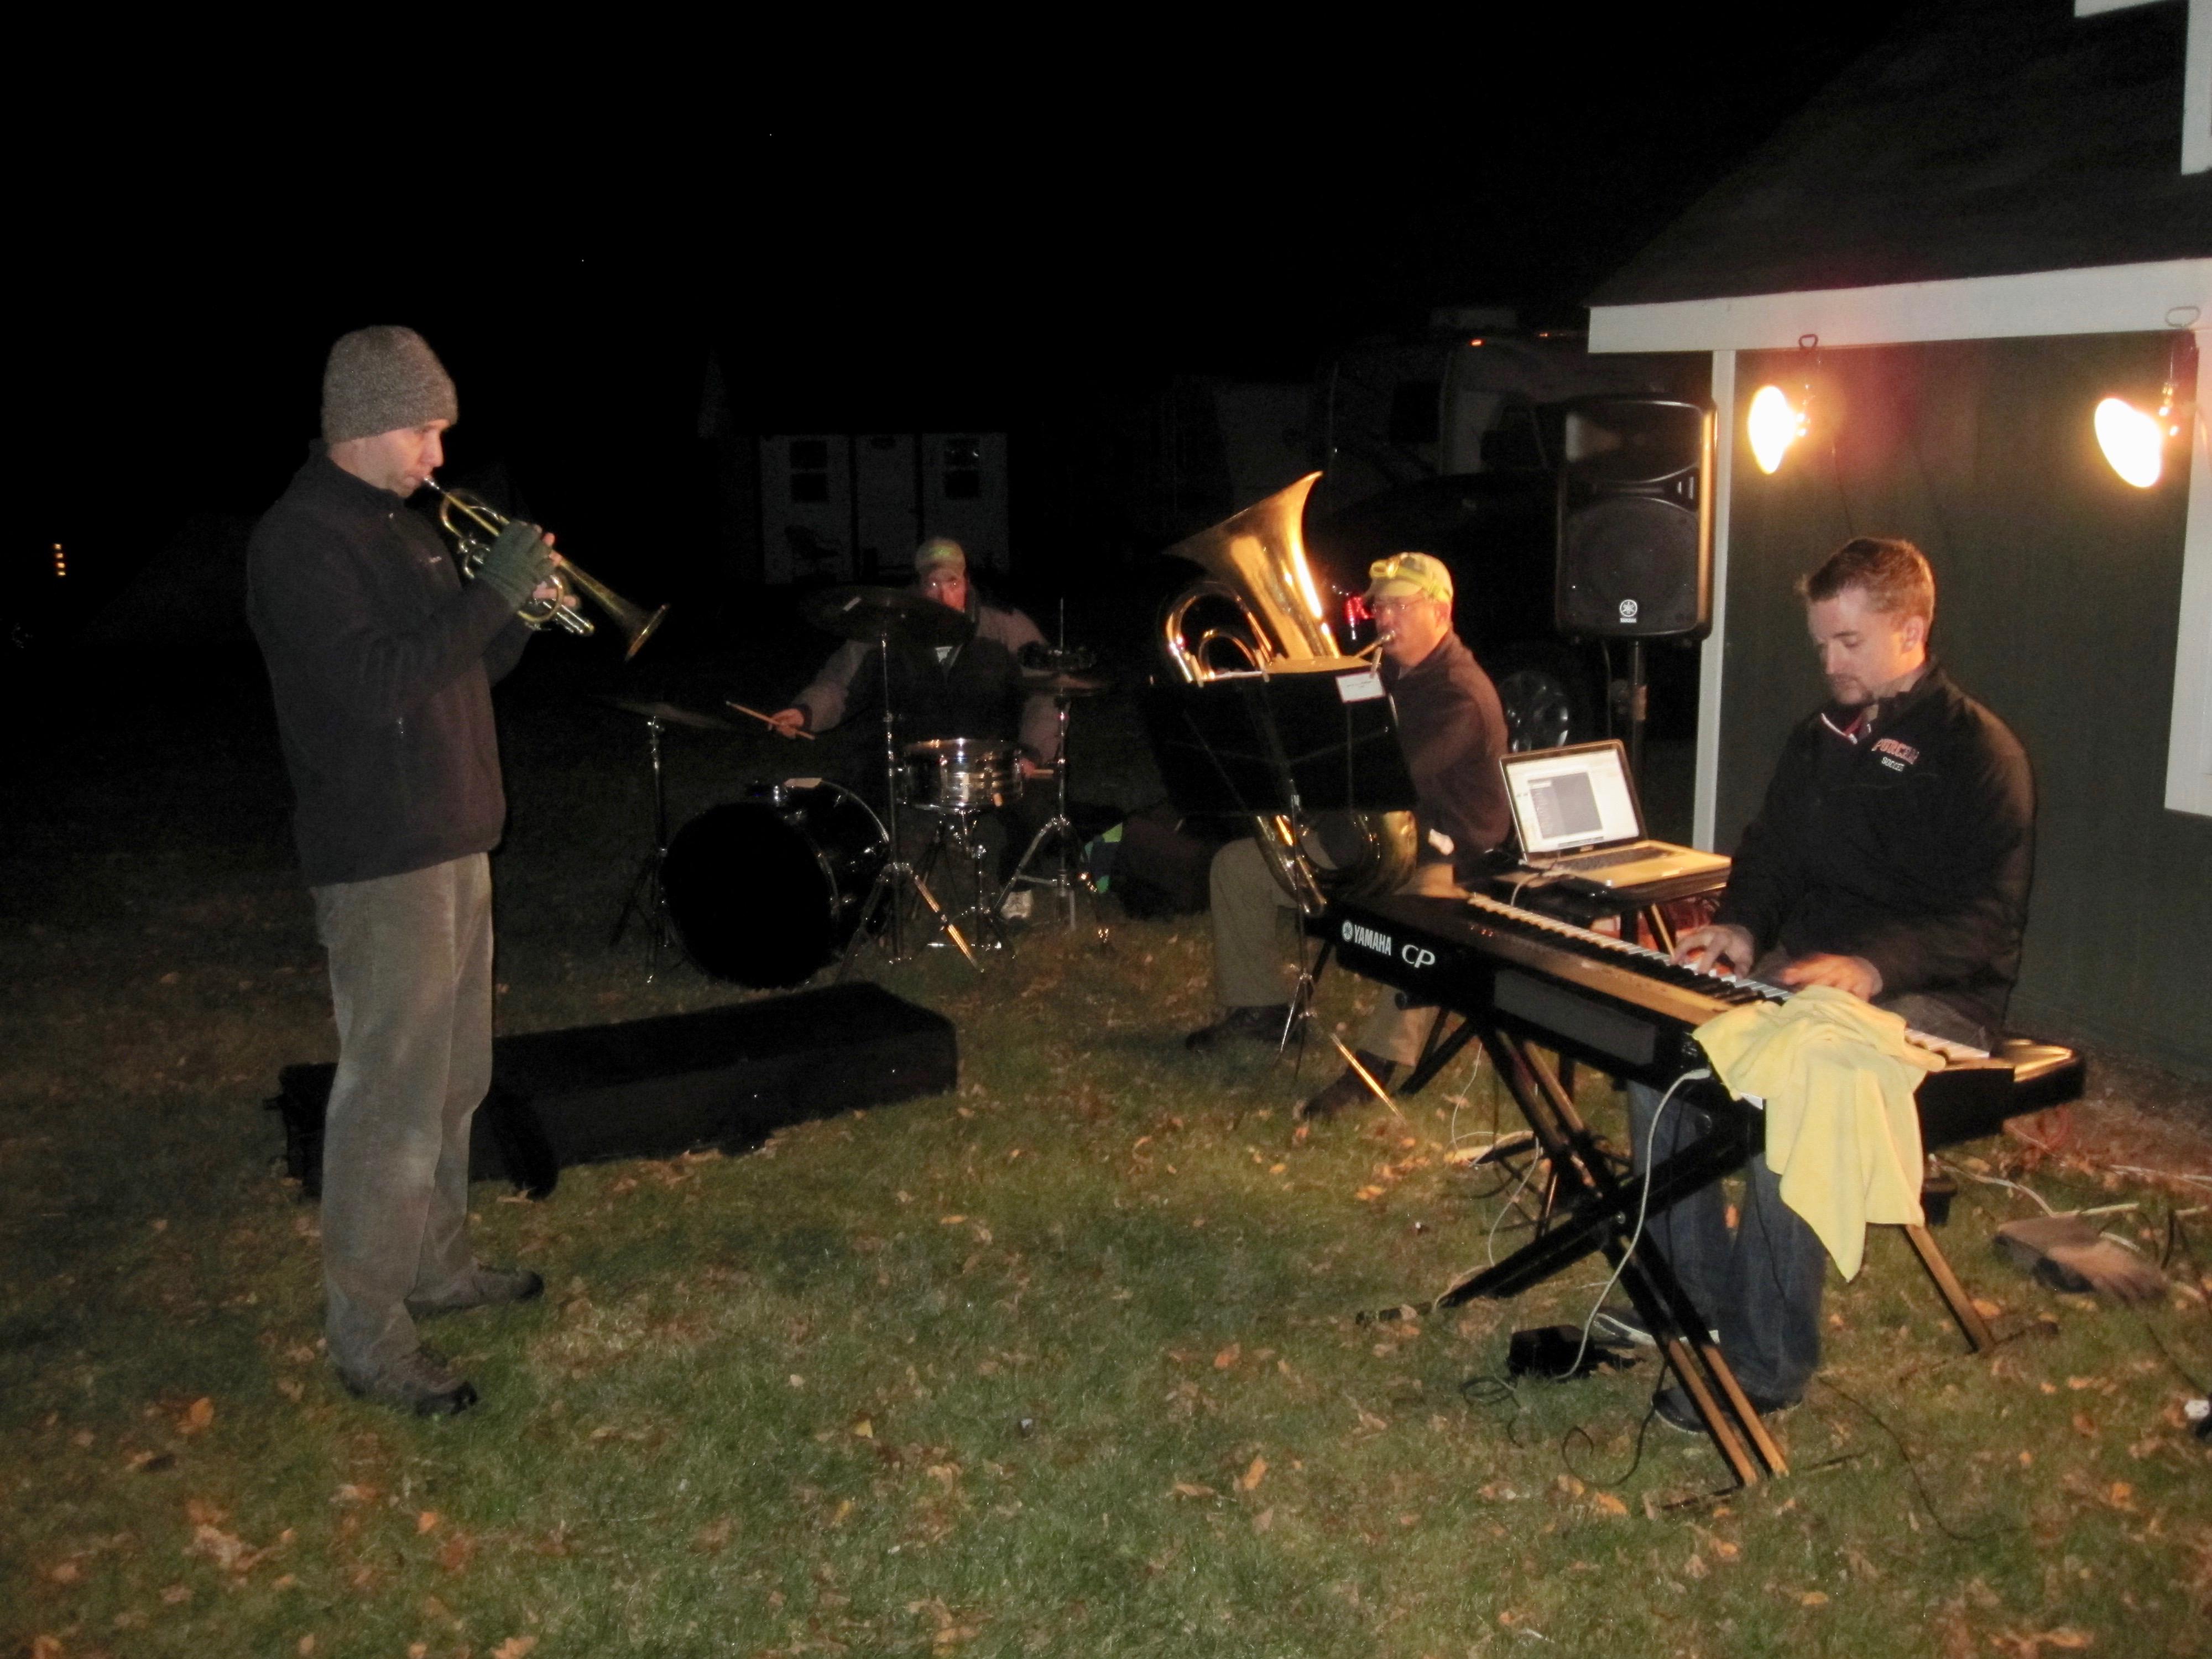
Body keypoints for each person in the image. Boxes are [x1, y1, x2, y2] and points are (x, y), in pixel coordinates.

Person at [1629, 535, 2034, 1431]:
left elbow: (1988, 925)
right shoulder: (1820, 740)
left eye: (1849, 643)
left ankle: (1764, 1365)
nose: (1831, 662)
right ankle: (1685, 1298)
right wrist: (1740, 923)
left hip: (1935, 1001)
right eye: (1822, 644)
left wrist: (1874, 967)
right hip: (1807, 984)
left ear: (1911, 630)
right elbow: (1770, 853)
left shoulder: (1978, 753)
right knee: (1660, 1060)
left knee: (1794, 1098)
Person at [248, 326, 557, 1416]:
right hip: (384, 857)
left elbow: (457, 665)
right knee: (389, 1101)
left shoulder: (404, 527)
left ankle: (436, 1266)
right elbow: (374, 684)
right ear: (370, 424)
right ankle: (367, 1331)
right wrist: (484, 598)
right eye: (427, 431)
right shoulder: (301, 543)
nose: (438, 454)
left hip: (455, 836)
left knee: (453, 1079)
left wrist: (512, 608)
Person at [1183, 552, 1511, 1119]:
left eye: (1399, 606)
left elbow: (1391, 778)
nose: (1384, 618)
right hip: (1367, 841)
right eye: (1378, 605)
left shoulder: (1458, 693)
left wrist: (1320, 750)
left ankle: (1375, 1066)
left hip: (1447, 858)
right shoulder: (1385, 672)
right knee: (1237, 867)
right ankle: (1259, 1009)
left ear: (1440, 611)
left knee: (1420, 924)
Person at [767, 538, 1058, 900]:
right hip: (915, 753)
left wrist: (1032, 752)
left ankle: (1020, 889)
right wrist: (805, 712)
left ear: (966, 582)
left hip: (989, 753)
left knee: (1034, 808)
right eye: (933, 585)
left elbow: (1047, 692)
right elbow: (839, 682)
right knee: (857, 798)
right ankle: (871, 895)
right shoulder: (889, 622)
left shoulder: (1006, 626)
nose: (942, 595)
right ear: (920, 586)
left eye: (952, 584)